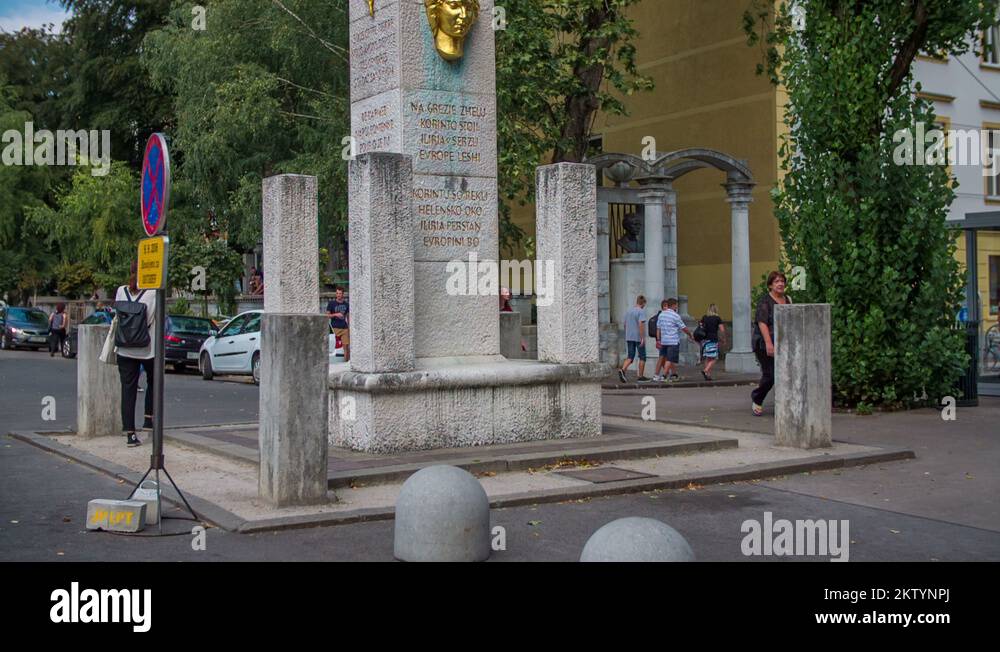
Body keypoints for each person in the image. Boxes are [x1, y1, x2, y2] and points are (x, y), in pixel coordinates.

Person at [115, 261, 157, 447]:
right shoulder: (153, 292)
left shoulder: (120, 290)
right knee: (153, 381)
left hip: (124, 347)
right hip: (146, 347)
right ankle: (149, 418)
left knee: (128, 389)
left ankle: (130, 433)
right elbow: (151, 319)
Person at [751, 271, 791, 416]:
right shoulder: (765, 301)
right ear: (770, 285)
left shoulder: (787, 300)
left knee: (786, 374)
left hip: (783, 343)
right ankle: (757, 398)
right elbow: (762, 323)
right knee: (770, 375)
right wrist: (769, 343)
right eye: (776, 281)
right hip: (764, 343)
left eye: (782, 281)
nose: (780, 284)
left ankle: (784, 403)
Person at [654, 298, 694, 382]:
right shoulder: (675, 315)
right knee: (670, 359)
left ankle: (659, 375)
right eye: (676, 305)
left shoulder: (661, 315)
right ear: (673, 305)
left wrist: (659, 339)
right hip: (673, 341)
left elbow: (659, 328)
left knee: (662, 357)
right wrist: (690, 334)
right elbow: (683, 328)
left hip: (664, 341)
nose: (677, 307)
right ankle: (664, 376)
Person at [619, 295, 649, 382]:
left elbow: (625, 324)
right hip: (638, 337)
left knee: (630, 356)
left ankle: (623, 369)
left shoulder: (628, 311)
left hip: (629, 336)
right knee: (642, 357)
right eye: (644, 304)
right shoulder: (641, 311)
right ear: (643, 303)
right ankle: (640, 376)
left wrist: (627, 333)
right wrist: (642, 337)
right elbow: (641, 324)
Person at [698, 303, 726, 381]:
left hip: (705, 339)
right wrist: (723, 338)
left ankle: (708, 375)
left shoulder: (704, 317)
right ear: (716, 310)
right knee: (714, 358)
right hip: (713, 339)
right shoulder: (717, 318)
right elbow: (722, 330)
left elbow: (700, 326)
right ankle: (706, 370)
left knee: (707, 357)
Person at [327, 286, 350, 362]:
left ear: (343, 294)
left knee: (346, 347)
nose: (338, 295)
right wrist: (336, 314)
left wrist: (349, 328)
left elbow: (348, 317)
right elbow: (327, 316)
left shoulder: (346, 304)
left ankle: (346, 363)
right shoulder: (331, 303)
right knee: (333, 347)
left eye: (340, 293)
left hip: (344, 328)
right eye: (337, 293)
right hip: (335, 328)